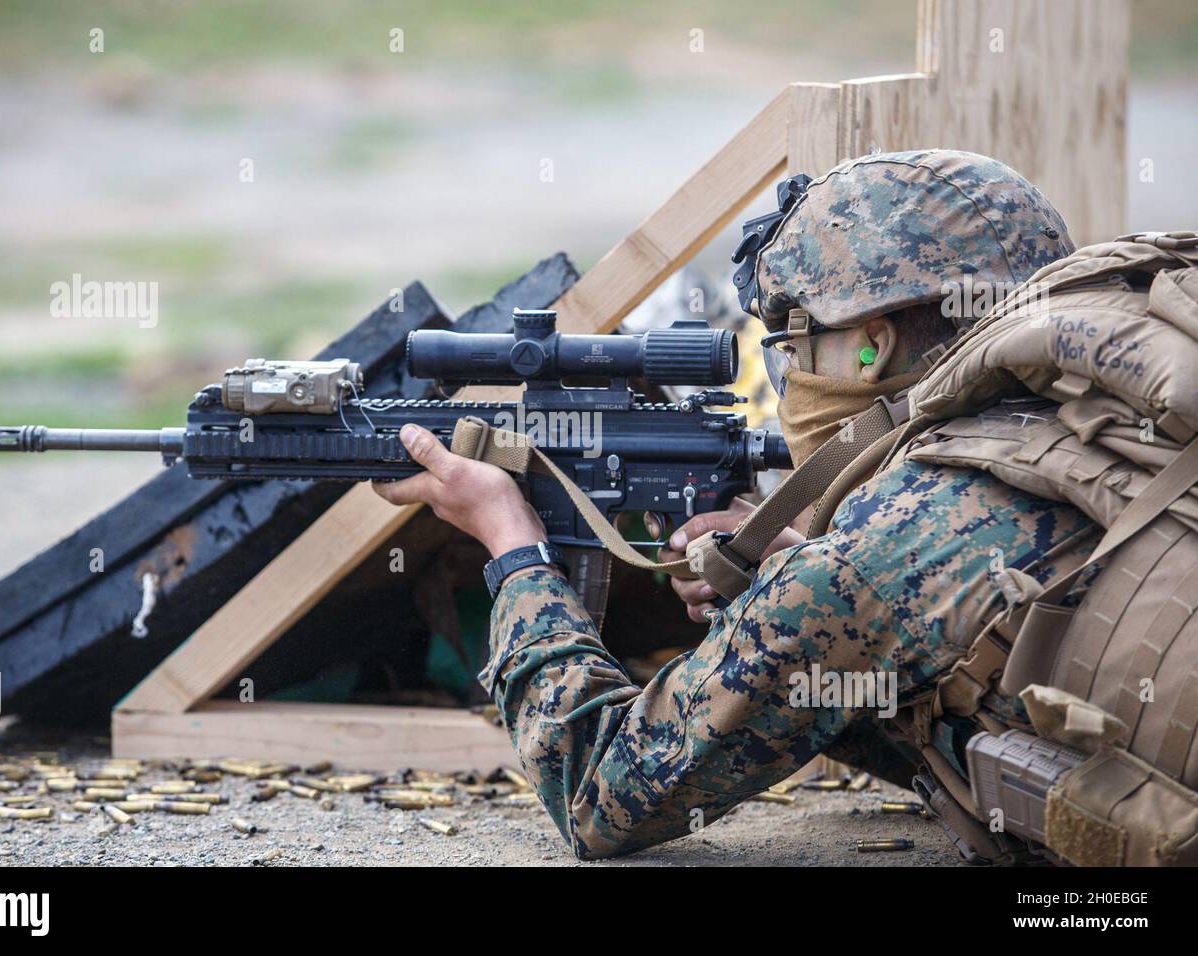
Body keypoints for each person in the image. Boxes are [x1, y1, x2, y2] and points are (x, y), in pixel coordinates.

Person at [373, 149, 1096, 860]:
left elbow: (597, 796)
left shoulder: (880, 553)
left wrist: (512, 544)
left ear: (873, 347)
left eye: (796, 343)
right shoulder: (1100, 431)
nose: (790, 375)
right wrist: (799, 597)